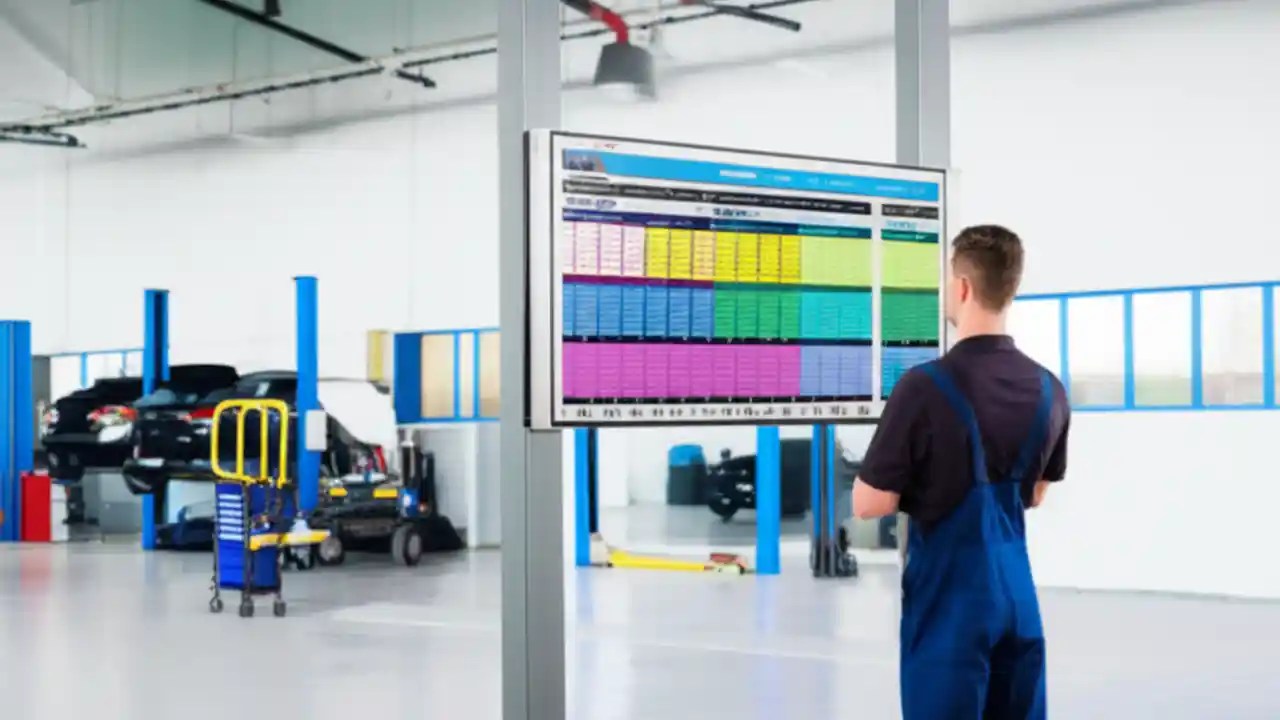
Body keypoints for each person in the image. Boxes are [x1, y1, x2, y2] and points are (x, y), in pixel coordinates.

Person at [853, 225, 1070, 719]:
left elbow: (870, 503)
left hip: (952, 604)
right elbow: (1034, 494)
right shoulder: (1049, 389)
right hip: (1019, 598)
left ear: (963, 287)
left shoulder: (923, 386)